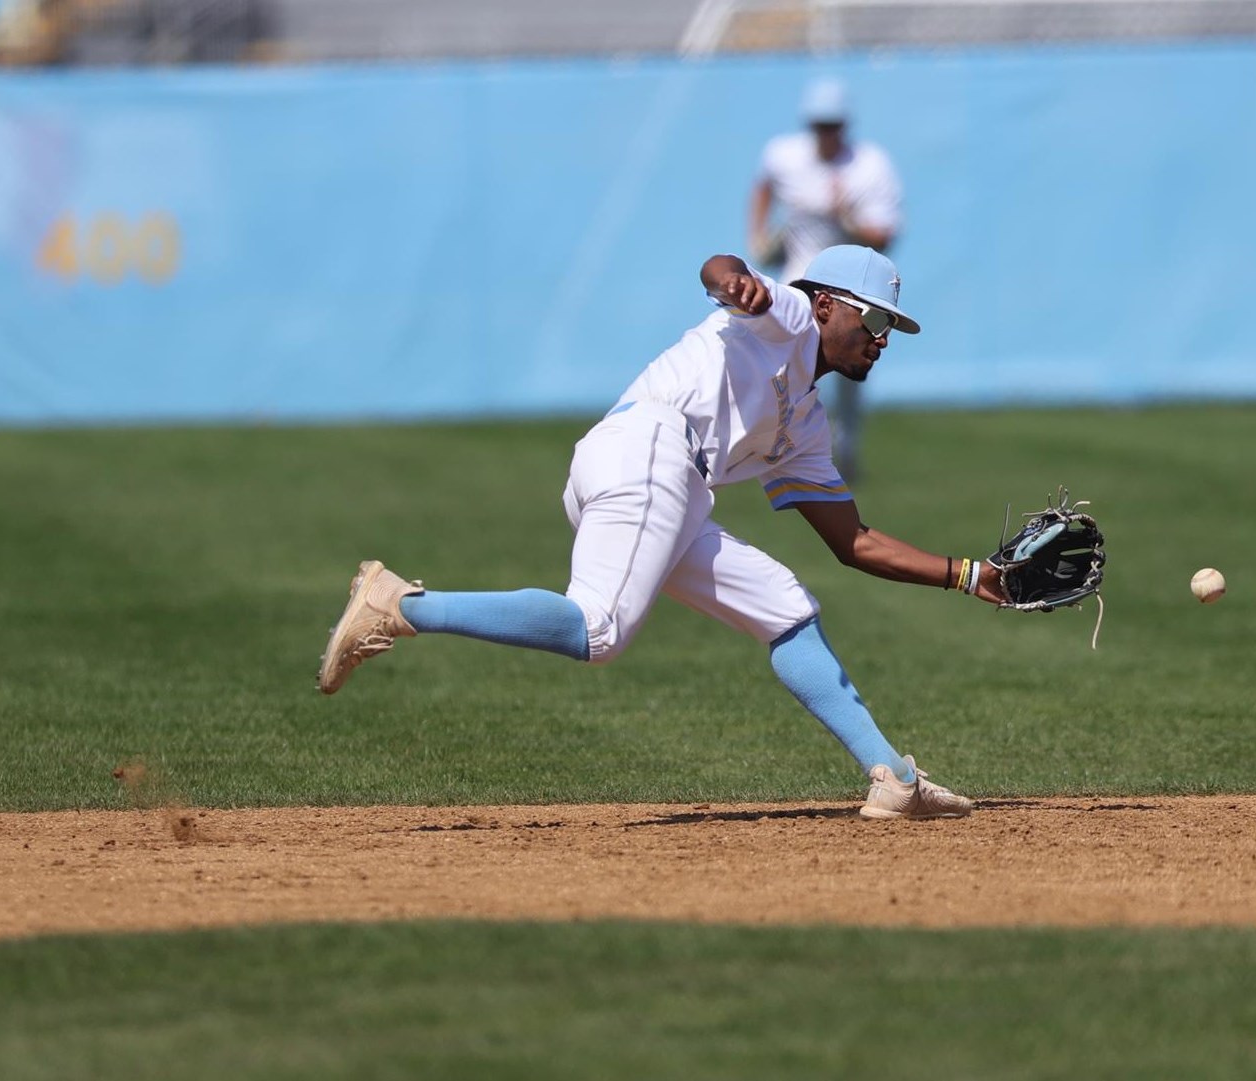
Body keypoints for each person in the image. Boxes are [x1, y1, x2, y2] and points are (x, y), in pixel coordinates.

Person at [317, 245, 1001, 821]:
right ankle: (401, 606)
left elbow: (852, 541)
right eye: (874, 317)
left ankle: (891, 778)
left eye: (893, 328)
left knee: (784, 607)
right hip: (648, 451)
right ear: (826, 304)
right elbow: (724, 269)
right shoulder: (788, 318)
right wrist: (729, 279)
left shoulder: (806, 428)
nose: (881, 337)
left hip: (662, 483)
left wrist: (971, 574)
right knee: (598, 630)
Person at [749, 77, 903, 485]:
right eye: (819, 124)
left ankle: (843, 452)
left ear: (845, 125)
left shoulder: (870, 165)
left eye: (833, 124)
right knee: (783, 364)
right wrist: (760, 235)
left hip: (853, 291)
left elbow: (885, 235)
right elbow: (764, 185)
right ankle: (783, 448)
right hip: (798, 280)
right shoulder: (785, 155)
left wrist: (846, 217)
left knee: (851, 373)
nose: (826, 133)